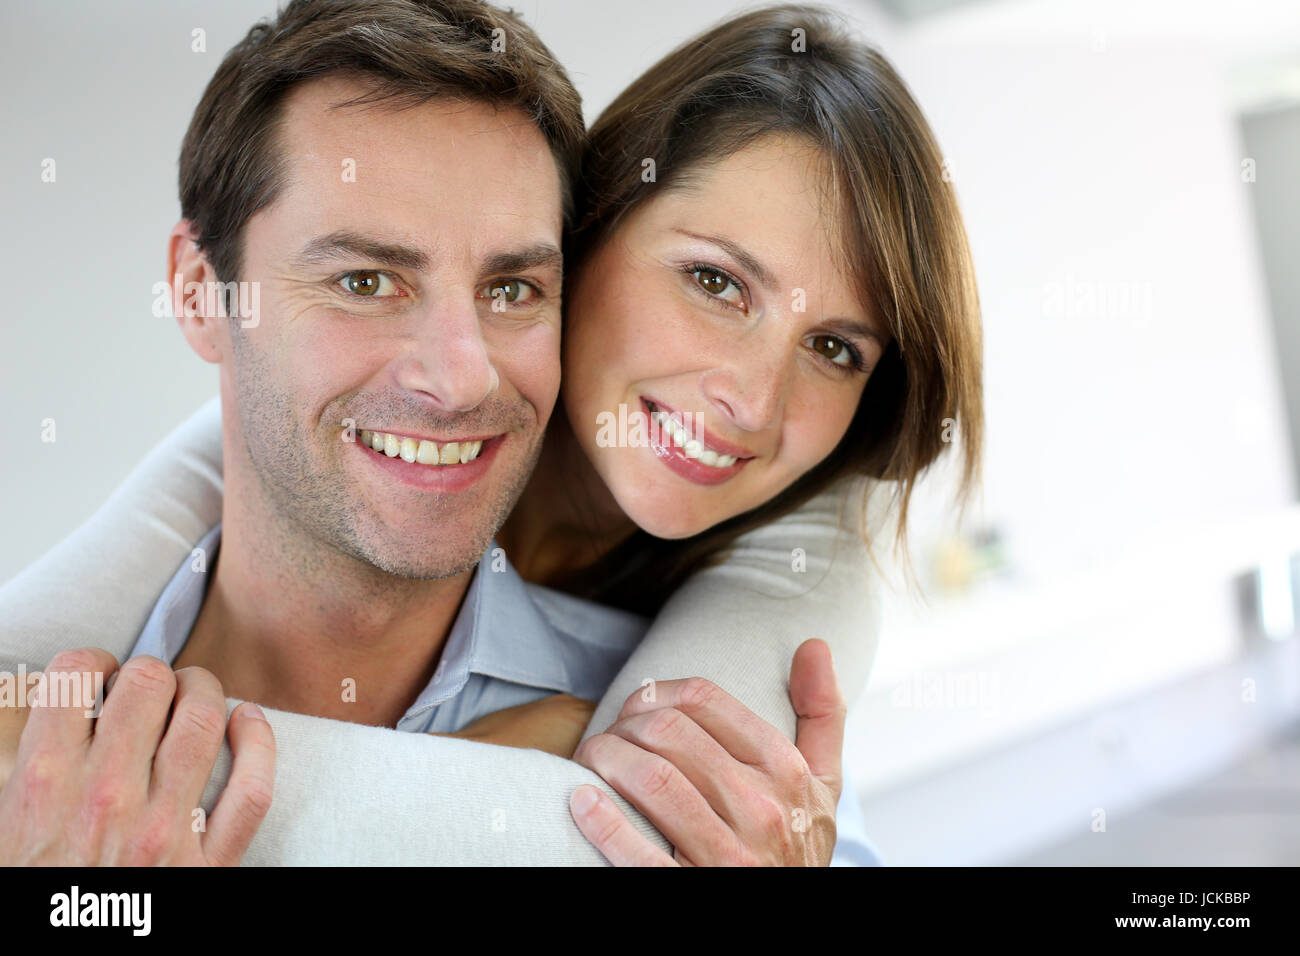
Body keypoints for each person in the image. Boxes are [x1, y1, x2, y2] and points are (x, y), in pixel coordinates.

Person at [0, 1, 982, 865]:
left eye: (835, 348)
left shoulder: (719, 716)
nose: (753, 404)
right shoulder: (100, 628)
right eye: (716, 283)